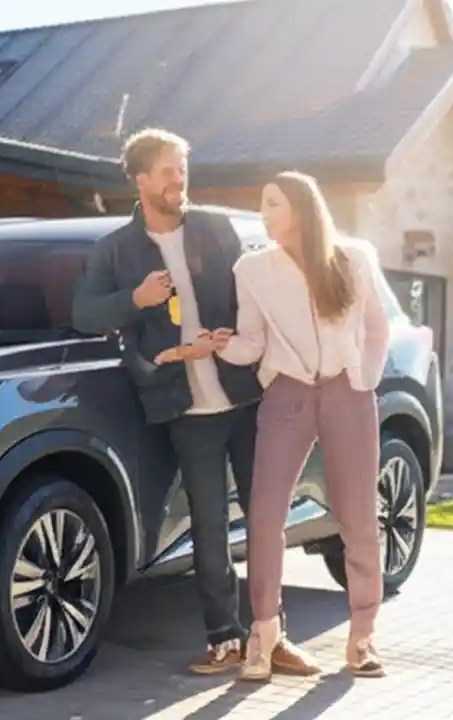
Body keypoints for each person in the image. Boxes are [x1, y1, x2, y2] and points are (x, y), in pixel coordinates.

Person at [72, 129, 319, 676]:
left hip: (244, 397)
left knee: (265, 519)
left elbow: (252, 296)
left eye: (182, 169)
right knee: (209, 528)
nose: (178, 180)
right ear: (140, 180)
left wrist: (243, 344)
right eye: (166, 171)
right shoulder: (115, 250)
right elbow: (84, 315)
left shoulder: (214, 228)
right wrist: (133, 300)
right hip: (184, 410)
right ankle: (225, 639)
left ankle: (272, 636)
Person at [211, 170, 390, 681]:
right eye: (263, 205)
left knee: (357, 517)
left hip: (347, 391)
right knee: (264, 515)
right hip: (286, 394)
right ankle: (263, 634)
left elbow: (376, 326)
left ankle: (363, 634)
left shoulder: (353, 257)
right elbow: (252, 341)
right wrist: (219, 344)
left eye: (273, 204)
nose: (265, 214)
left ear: (301, 209)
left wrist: (363, 380)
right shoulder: (252, 269)